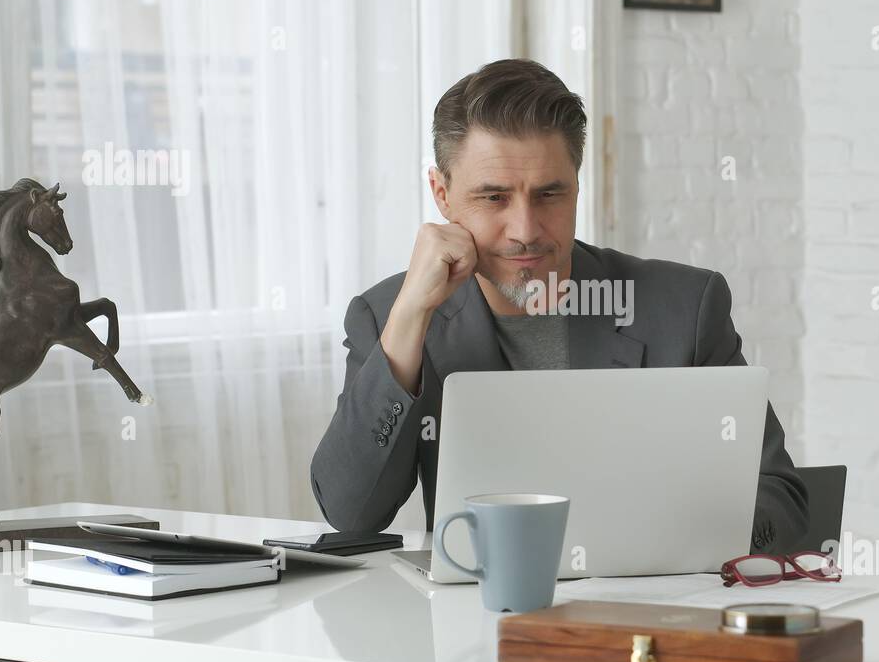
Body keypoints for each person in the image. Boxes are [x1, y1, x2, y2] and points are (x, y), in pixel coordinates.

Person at [310, 58, 808, 554]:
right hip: (477, 616)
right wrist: (409, 320)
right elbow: (352, 515)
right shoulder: (389, 315)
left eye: (550, 194)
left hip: (651, 610)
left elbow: (781, 501)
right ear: (442, 195)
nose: (526, 230)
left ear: (576, 187)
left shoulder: (684, 307)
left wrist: (670, 531)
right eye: (494, 198)